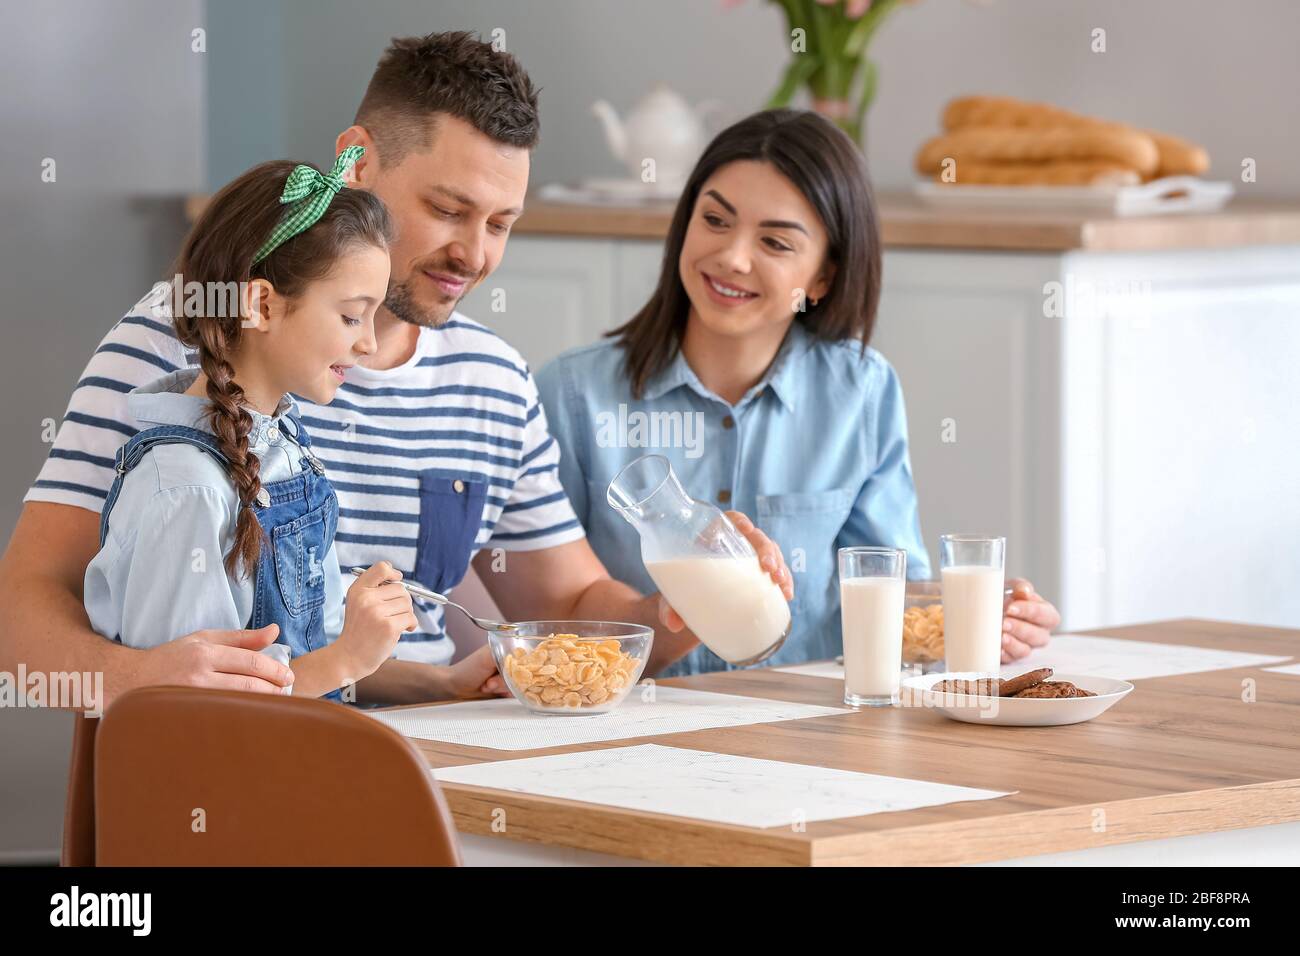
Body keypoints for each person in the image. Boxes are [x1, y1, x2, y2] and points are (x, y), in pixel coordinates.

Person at [0, 31, 789, 710]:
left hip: (432, 777)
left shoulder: (494, 382)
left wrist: (682, 605)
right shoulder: (186, 339)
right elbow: (21, 617)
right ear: (355, 164)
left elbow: (574, 610)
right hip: (245, 777)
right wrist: (142, 680)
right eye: (448, 209)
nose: (475, 255)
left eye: (502, 224)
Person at [537, 109, 1060, 677]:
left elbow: (895, 597)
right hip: (632, 728)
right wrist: (675, 611)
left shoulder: (862, 391)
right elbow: (550, 620)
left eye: (776, 242)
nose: (733, 257)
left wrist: (977, 617)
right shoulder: (571, 395)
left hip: (808, 730)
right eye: (715, 220)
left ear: (823, 277)